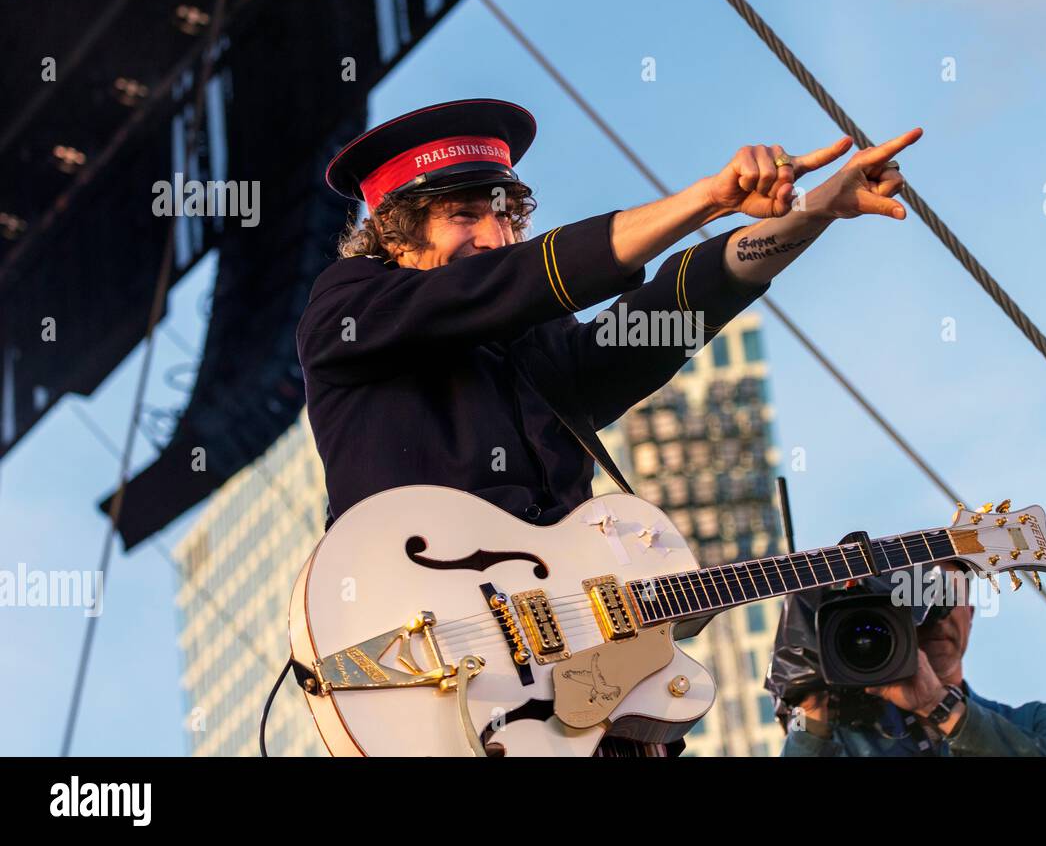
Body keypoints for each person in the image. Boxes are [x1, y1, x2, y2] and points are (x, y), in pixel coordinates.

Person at [296, 97, 921, 755]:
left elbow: (662, 319)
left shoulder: (536, 342)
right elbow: (505, 283)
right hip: (430, 682)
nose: (492, 234)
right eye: (464, 215)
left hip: (578, 712)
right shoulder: (349, 309)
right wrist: (708, 198)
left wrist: (814, 211)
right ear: (393, 234)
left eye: (506, 216)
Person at [766, 561, 1046, 756]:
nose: (937, 616)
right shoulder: (840, 742)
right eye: (920, 600)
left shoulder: (1037, 725)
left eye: (949, 597)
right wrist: (811, 713)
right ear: (891, 615)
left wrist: (939, 706)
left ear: (970, 612)